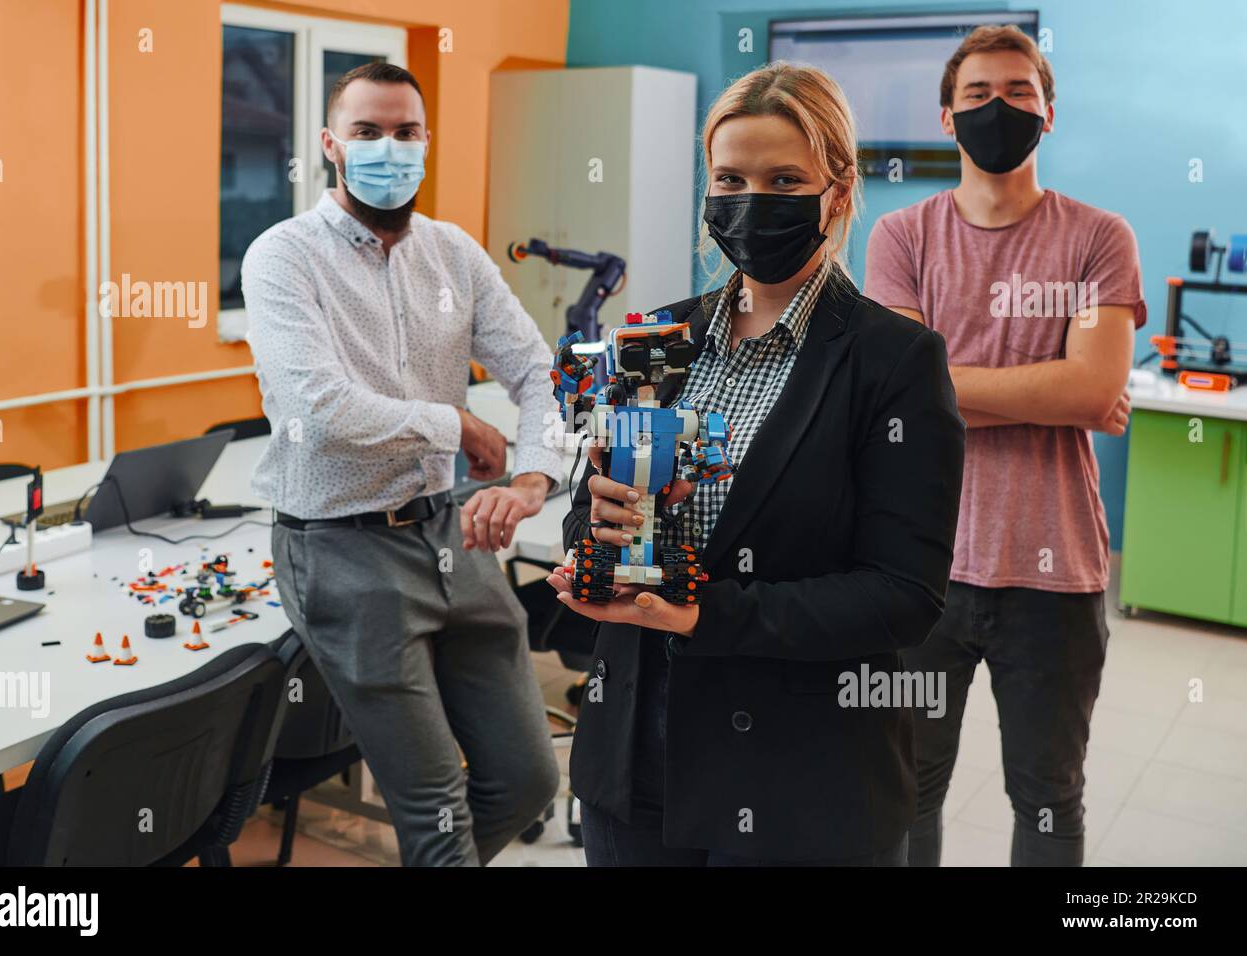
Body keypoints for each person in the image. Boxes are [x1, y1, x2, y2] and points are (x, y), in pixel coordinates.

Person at [545, 62, 965, 865]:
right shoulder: (656, 341)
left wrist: (709, 614)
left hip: (797, 781)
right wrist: (593, 530)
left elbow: (903, 597)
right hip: (635, 763)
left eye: (783, 179)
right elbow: (594, 501)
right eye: (729, 178)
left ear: (837, 193)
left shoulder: (894, 360)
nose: (750, 200)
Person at [242, 62, 564, 866]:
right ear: (330, 145)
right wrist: (450, 421)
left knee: (528, 782)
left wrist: (533, 476)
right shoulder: (283, 257)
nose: (389, 147)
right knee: (436, 814)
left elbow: (542, 373)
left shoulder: (453, 254)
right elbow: (318, 411)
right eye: (367, 132)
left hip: (452, 536)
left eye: (405, 132)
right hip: (342, 549)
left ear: (426, 142)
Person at [864, 24, 1146, 866]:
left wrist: (955, 385)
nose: (1000, 108)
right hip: (919, 568)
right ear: (947, 118)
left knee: (1049, 799)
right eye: (979, 94)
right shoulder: (900, 239)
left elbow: (1092, 389)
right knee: (904, 790)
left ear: (1049, 114)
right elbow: (894, 400)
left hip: (1056, 576)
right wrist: (1055, 390)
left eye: (1019, 92)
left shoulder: (1100, 238)